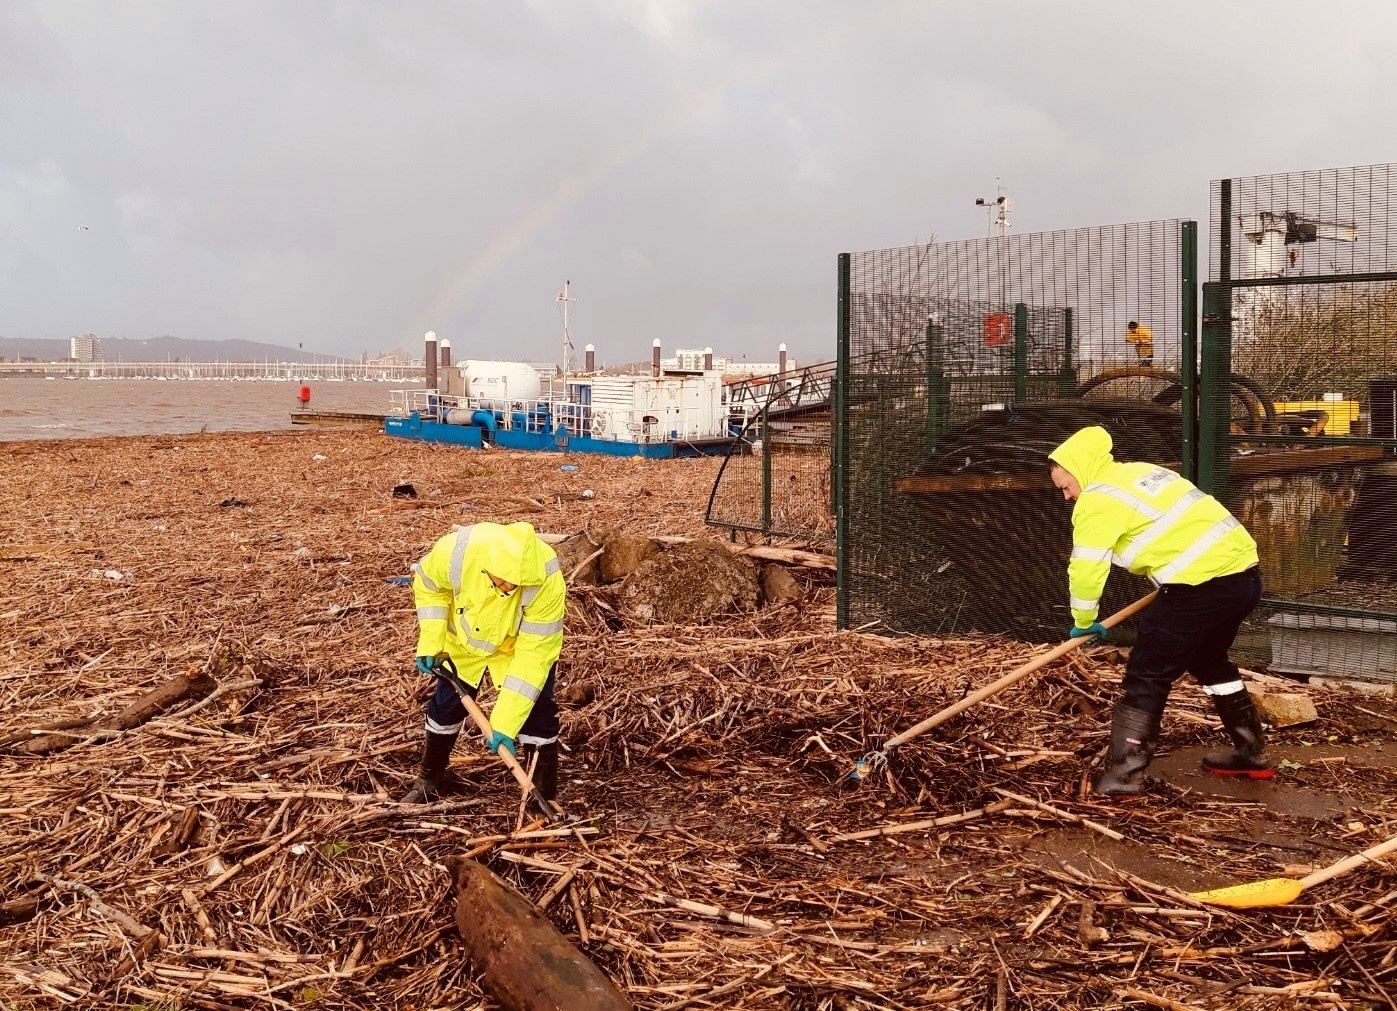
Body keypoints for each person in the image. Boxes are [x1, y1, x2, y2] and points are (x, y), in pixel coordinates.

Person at [1048, 426, 1272, 797]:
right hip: (1243, 578)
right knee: (1210, 661)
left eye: (1065, 486)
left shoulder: (1097, 500)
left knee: (1147, 674)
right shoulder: (1142, 473)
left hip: (1198, 588)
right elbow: (1176, 531)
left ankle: (1122, 780)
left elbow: (1087, 568)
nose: (1067, 496)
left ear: (1080, 470)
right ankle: (1252, 753)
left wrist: (1083, 622)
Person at [402, 521, 566, 804]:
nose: (508, 586)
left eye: (516, 583)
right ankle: (431, 777)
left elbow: (534, 656)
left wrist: (504, 724)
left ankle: (543, 796)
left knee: (537, 713)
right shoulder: (454, 551)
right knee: (446, 708)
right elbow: (429, 587)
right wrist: (432, 640)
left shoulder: (546, 580)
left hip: (515, 649)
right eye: (501, 579)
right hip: (464, 644)